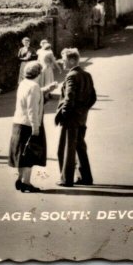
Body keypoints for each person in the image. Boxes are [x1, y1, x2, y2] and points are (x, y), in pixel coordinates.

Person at [9, 61, 59, 193]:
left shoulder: (23, 83)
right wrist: (36, 128)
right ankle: (26, 183)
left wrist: (48, 89)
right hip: (29, 125)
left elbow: (31, 96)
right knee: (29, 155)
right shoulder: (35, 86)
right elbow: (32, 109)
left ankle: (20, 179)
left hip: (18, 123)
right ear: (39, 73)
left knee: (22, 154)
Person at [54, 48, 96, 187]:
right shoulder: (86, 74)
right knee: (80, 148)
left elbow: (69, 97)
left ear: (72, 60)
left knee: (66, 149)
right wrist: (83, 111)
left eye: (64, 59)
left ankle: (67, 179)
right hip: (81, 117)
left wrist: (65, 113)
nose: (62, 62)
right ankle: (86, 178)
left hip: (71, 118)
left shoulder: (71, 76)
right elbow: (93, 97)